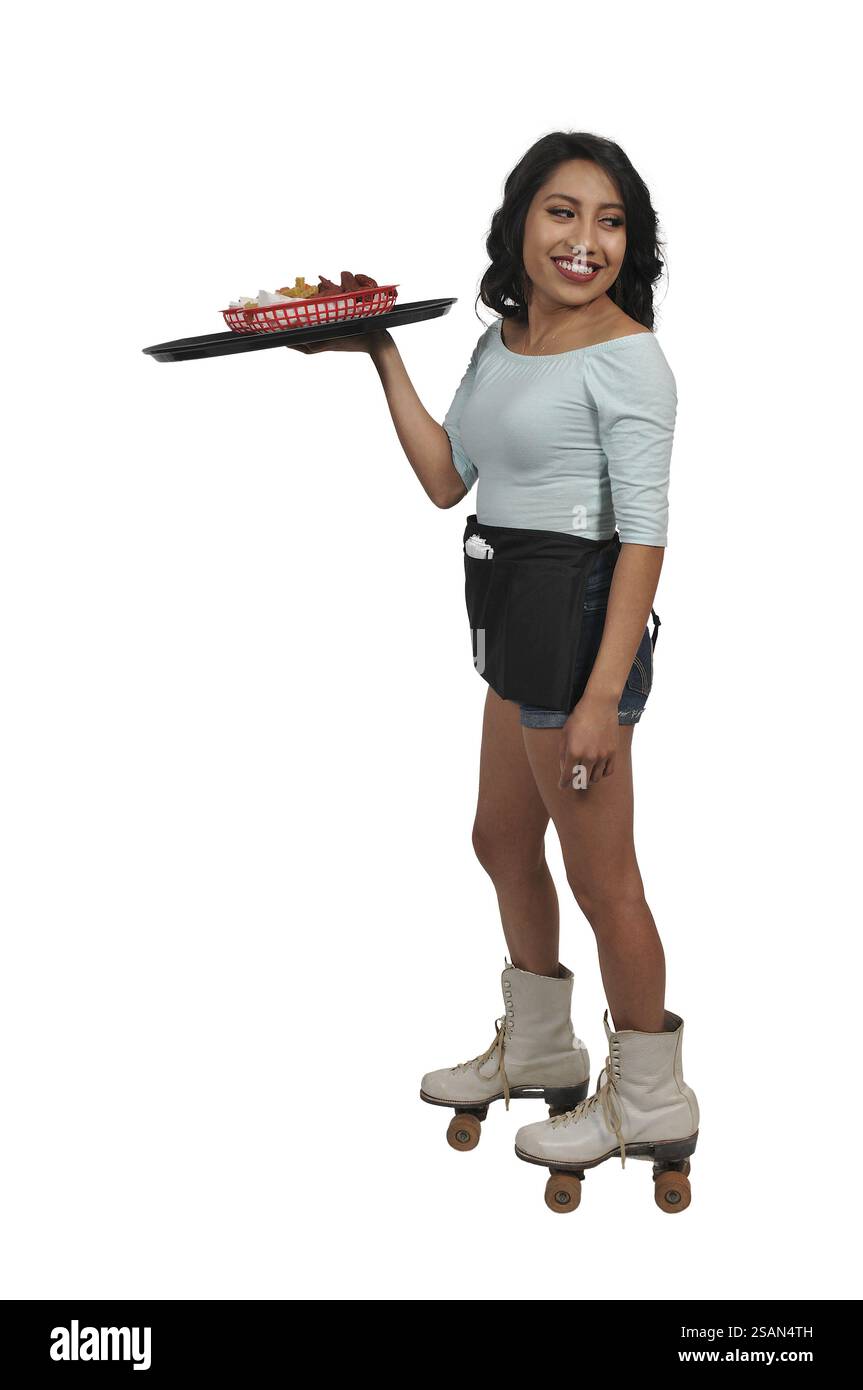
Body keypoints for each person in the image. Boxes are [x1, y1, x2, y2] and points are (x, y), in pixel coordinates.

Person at [288, 131, 699, 1213]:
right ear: (520, 221)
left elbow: (644, 536)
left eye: (610, 221)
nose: (586, 240)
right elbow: (446, 479)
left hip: (578, 627)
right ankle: (541, 1048)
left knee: (603, 880)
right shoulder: (501, 340)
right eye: (563, 212)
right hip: (510, 613)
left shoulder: (628, 358)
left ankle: (650, 1098)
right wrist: (380, 353)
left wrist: (602, 695)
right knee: (500, 840)